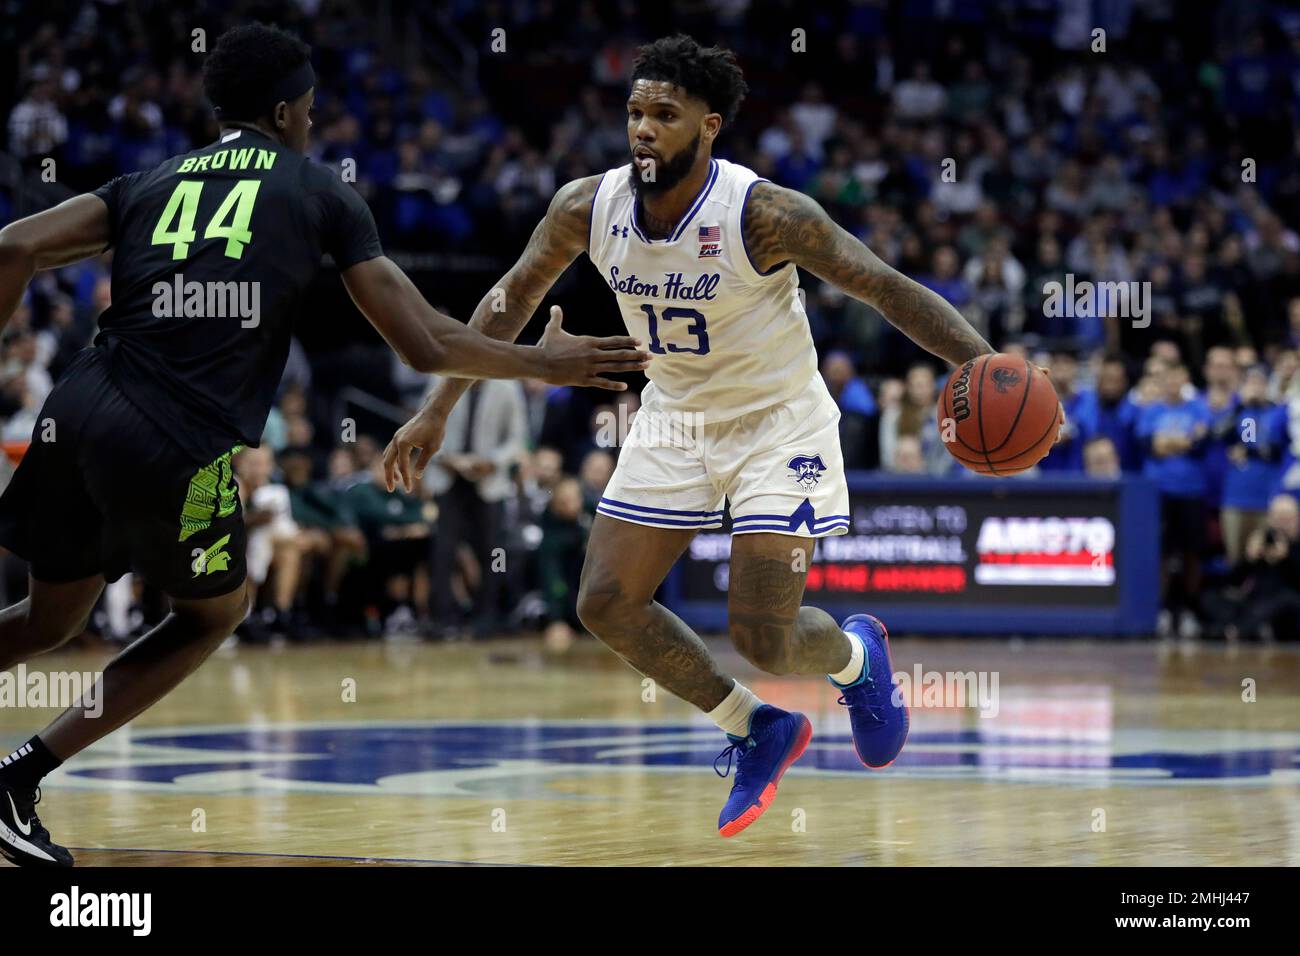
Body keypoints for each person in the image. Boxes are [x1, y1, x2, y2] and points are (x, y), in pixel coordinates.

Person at [0, 22, 648, 868]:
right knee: (213, 614)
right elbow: (420, 341)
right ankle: (19, 778)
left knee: (50, 617)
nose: (313, 124)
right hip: (176, 433)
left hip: (78, 404)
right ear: (284, 112)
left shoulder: (148, 180)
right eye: (308, 110)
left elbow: (12, 245)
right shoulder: (317, 192)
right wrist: (542, 362)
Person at [384, 35, 1037, 838]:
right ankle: (753, 725)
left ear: (710, 126)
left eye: (665, 114)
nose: (643, 130)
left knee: (762, 633)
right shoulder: (585, 207)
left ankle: (859, 660)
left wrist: (993, 367)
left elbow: (885, 288)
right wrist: (437, 408)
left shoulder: (765, 214)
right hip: (675, 414)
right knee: (605, 602)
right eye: (635, 113)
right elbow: (509, 297)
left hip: (778, 421)